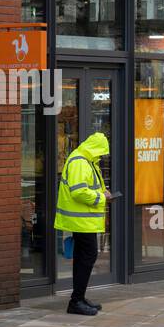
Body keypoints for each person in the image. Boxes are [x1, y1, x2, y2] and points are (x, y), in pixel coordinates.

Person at [54, 132, 111, 316]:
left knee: (82, 258)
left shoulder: (87, 161)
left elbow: (88, 187)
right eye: (101, 153)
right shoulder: (80, 161)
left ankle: (79, 298)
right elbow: (79, 192)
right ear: (94, 149)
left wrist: (103, 192)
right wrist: (102, 197)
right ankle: (76, 301)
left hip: (84, 220)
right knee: (87, 257)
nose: (101, 157)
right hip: (81, 220)